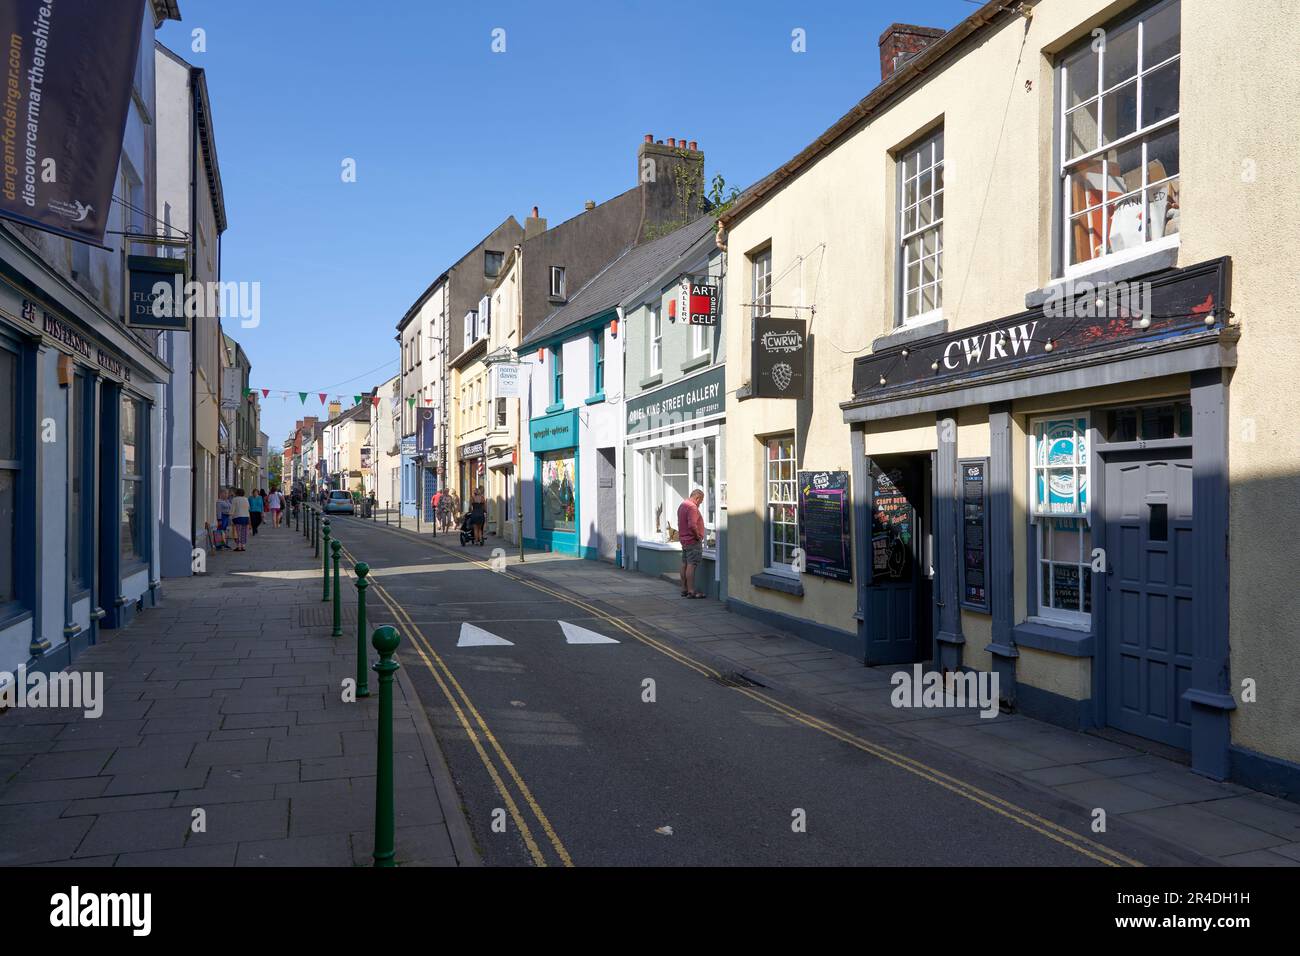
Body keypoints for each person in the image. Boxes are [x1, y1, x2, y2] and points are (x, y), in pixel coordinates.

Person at [677, 489, 707, 598]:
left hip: (684, 540)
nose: (701, 503)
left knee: (684, 564)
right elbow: (692, 525)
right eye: (701, 500)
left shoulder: (682, 505)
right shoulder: (692, 507)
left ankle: (684, 589)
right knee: (691, 565)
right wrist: (698, 536)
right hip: (692, 541)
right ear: (697, 497)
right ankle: (691, 591)